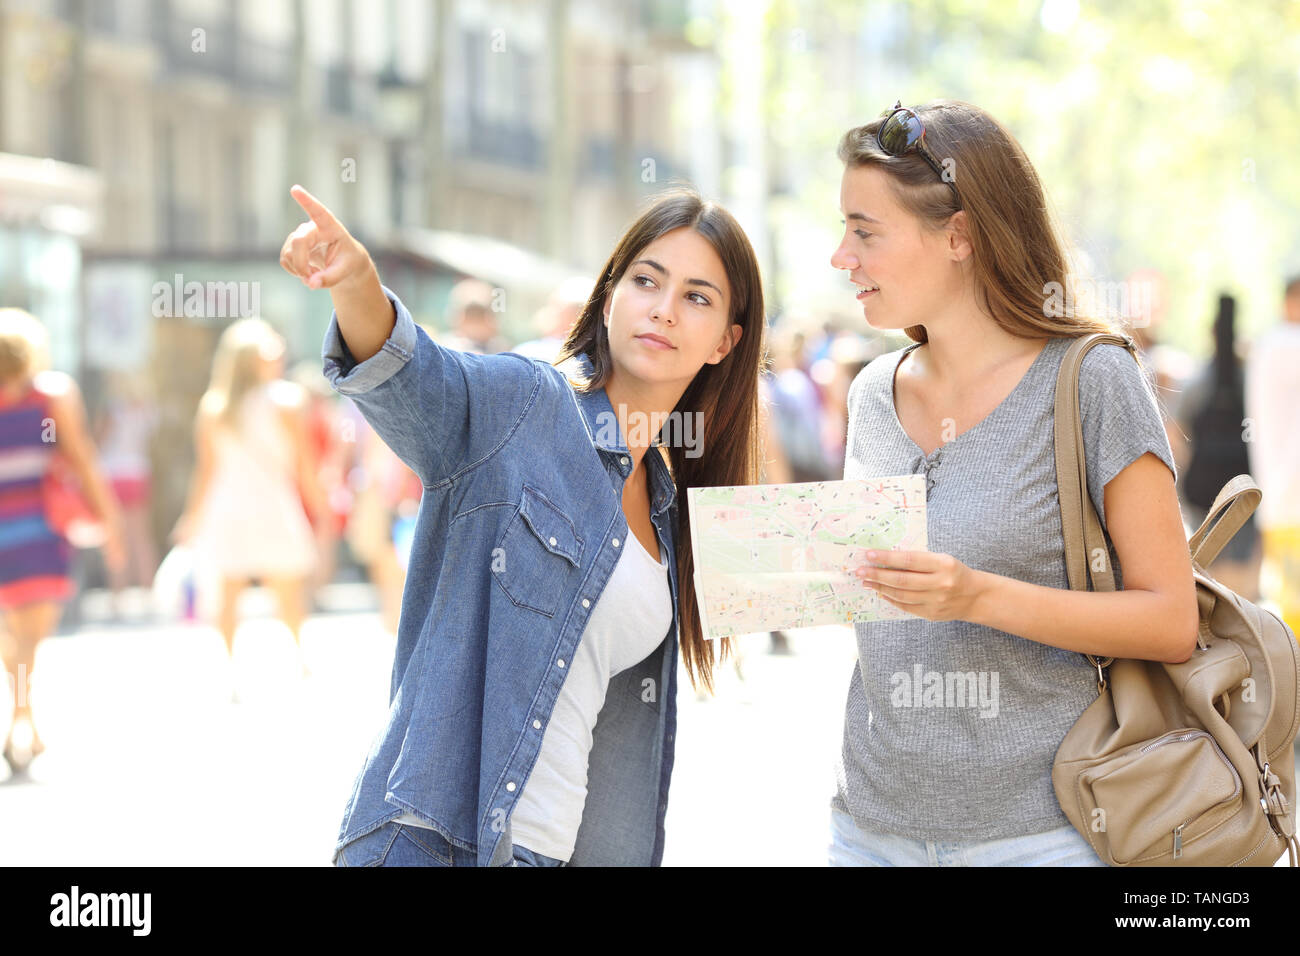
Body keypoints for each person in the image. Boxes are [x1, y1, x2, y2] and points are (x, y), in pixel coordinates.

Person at [279, 182, 766, 866]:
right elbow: (414, 380)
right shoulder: (527, 404)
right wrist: (356, 281)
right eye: (646, 280)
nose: (662, 310)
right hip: (438, 841)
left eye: (697, 297)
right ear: (608, 298)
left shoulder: (669, 504)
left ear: (725, 341)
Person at [828, 100, 1199, 866]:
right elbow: (875, 610)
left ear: (959, 236)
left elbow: (1170, 620)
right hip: (868, 830)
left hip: (1045, 834)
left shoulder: (1092, 380)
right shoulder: (870, 392)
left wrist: (974, 596)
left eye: (865, 232)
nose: (841, 257)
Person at [0, 308, 125, 773]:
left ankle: (22, 718)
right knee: (31, 635)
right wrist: (109, 523)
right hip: (38, 532)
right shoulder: (52, 395)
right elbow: (83, 461)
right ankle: (22, 721)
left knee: (11, 635)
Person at [171, 318, 324, 680]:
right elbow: (303, 464)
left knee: (228, 590)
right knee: (287, 586)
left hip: (227, 507)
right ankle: (299, 658)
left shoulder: (214, 408)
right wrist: (319, 506)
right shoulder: (287, 401)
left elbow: (205, 472)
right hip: (272, 502)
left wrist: (191, 518)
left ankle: (231, 666)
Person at [1172, 294, 1261, 600]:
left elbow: (1177, 434)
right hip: (1244, 490)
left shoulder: (1195, 382)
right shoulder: (1249, 379)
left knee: (1208, 577)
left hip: (1204, 494)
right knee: (1242, 585)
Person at [1245, 276, 1300, 635]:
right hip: (1291, 497)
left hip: (1280, 499)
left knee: (1290, 596)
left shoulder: (1269, 345)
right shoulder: (1286, 343)